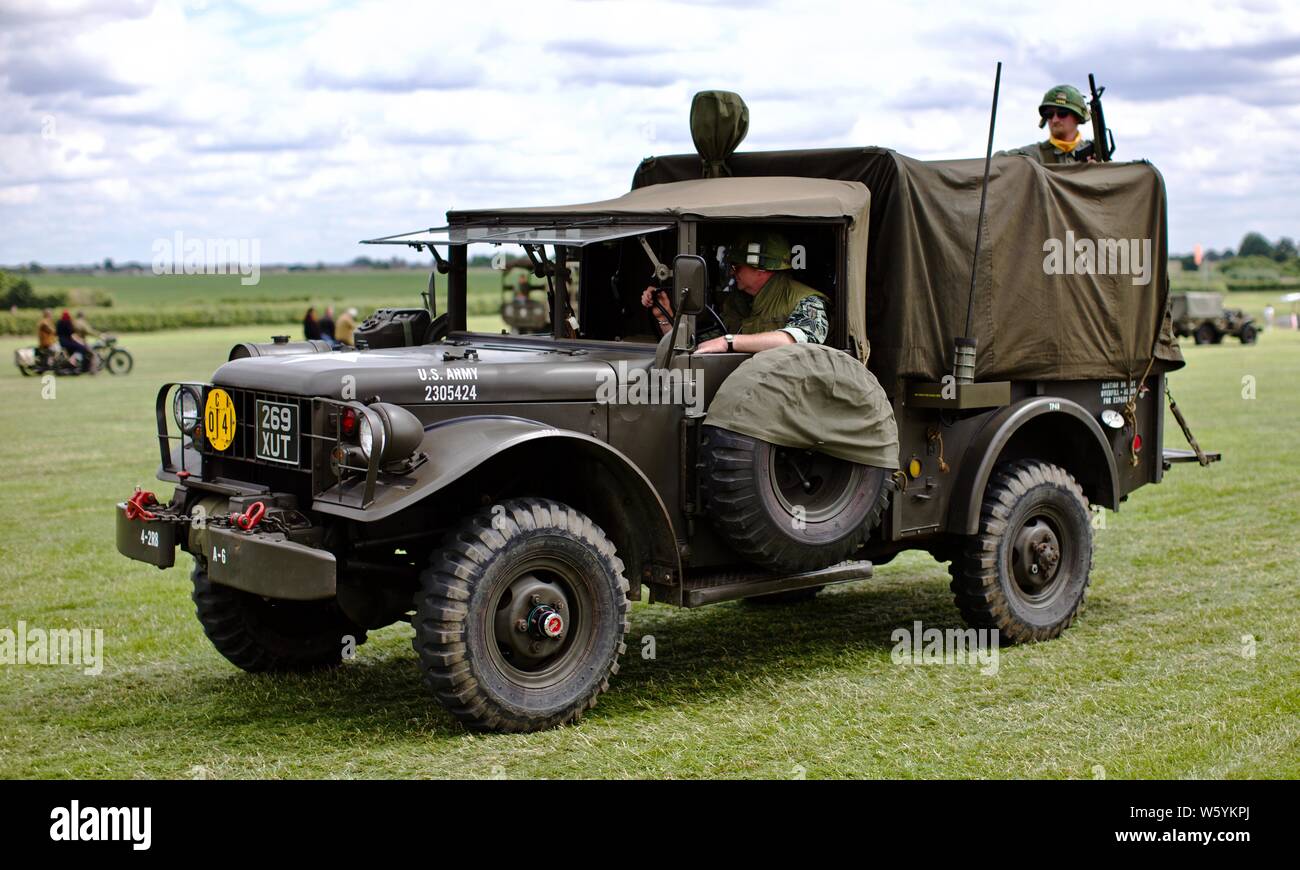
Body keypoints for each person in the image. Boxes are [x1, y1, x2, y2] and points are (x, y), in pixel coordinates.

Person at [640, 231, 828, 354]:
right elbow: (697, 348)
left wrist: (728, 342)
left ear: (762, 269)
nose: (731, 272)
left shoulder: (807, 301)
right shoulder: (738, 303)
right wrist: (664, 316)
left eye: (737, 266)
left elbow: (797, 340)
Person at [1001, 84, 1093, 164]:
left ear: (1078, 117)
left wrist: (1099, 169)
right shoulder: (1034, 155)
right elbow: (997, 163)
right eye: (1049, 114)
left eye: (1062, 113)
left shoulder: (1093, 154)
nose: (1055, 119)